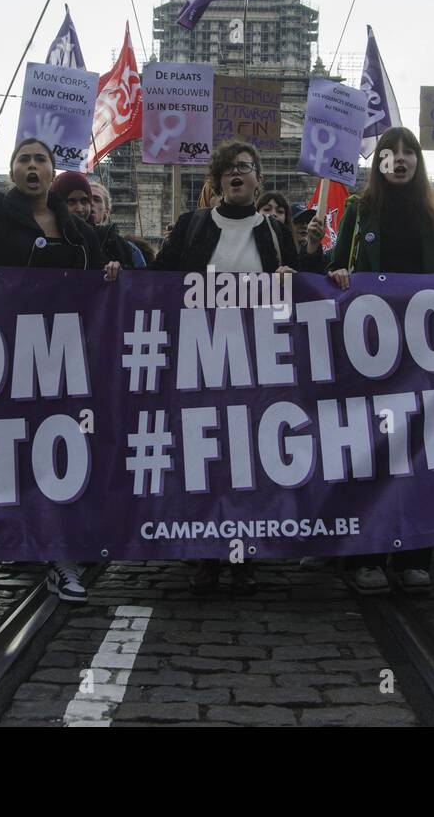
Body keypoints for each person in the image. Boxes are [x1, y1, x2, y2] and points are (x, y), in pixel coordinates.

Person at [0, 128, 119, 604]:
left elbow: (98, 287)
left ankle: (59, 557)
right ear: (14, 170)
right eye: (24, 159)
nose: (33, 166)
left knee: (54, 460)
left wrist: (110, 276)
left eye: (41, 159)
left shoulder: (78, 231)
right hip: (0, 353)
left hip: (59, 360)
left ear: (51, 171)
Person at [150, 140, 297, 595]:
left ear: (258, 179)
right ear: (217, 181)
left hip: (255, 365)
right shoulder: (194, 226)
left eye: (245, 168)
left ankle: (243, 550)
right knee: (204, 457)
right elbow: (157, 283)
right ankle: (204, 552)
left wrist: (307, 277)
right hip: (200, 362)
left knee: (247, 459)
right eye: (228, 169)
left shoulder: (274, 232)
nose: (237, 174)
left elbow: (302, 286)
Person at [326, 126, 434, 597]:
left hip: (422, 350)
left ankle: (414, 555)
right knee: (372, 448)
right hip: (372, 349)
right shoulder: (360, 211)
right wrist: (339, 272)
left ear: (417, 163)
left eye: (408, 153)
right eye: (390, 152)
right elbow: (335, 266)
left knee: (418, 450)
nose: (399, 159)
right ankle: (366, 553)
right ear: (378, 161)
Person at [87, 178, 144, 268]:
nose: (90, 203)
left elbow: (142, 279)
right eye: (86, 199)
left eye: (96, 199)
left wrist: (122, 274)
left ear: (107, 211)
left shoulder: (128, 249)